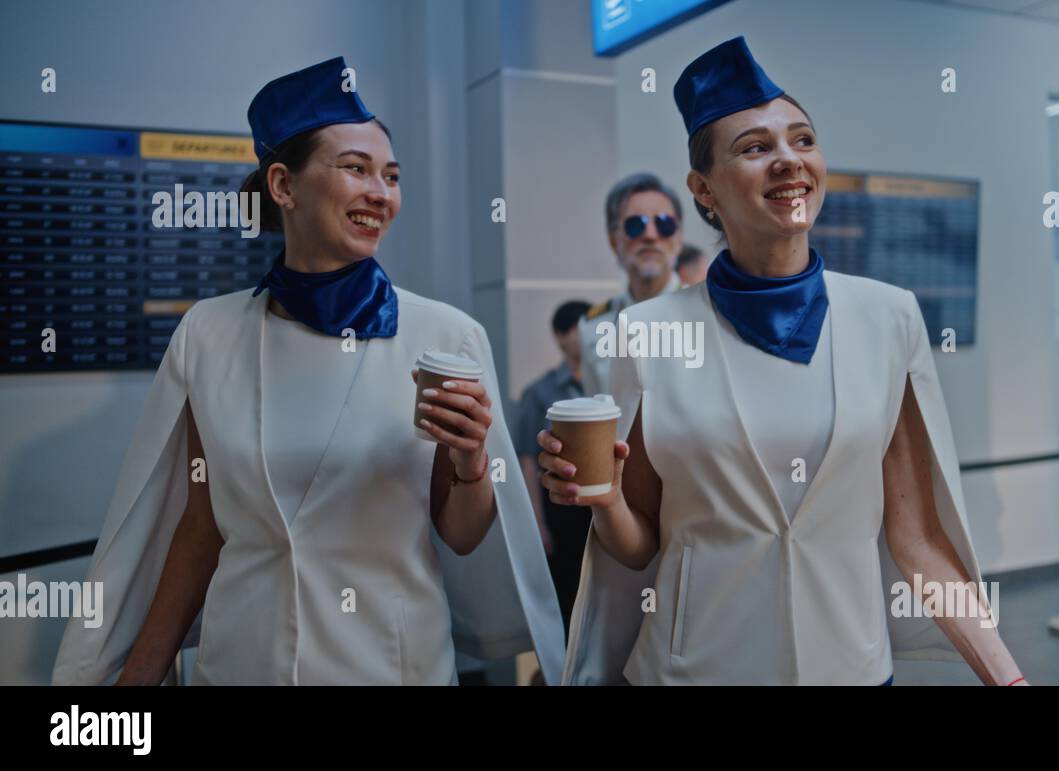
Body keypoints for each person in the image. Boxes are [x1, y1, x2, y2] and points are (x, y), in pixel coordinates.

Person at [51, 57, 564, 686]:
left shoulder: (444, 337)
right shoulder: (210, 336)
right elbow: (200, 528)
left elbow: (459, 534)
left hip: (390, 668)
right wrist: (137, 680)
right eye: (355, 169)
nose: (381, 193)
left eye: (392, 176)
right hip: (241, 666)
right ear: (283, 186)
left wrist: (470, 462)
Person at [542, 38, 1027, 686]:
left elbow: (920, 540)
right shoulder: (644, 332)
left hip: (850, 668)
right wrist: (602, 500)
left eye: (802, 140)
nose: (788, 161)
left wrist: (1009, 678)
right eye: (755, 147)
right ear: (704, 190)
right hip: (693, 670)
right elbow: (641, 541)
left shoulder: (889, 318)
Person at [512, 300, 592, 643]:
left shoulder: (613, 384)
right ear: (560, 336)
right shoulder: (539, 392)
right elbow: (527, 459)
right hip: (560, 512)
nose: (587, 337)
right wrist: (538, 523)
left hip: (603, 509)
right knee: (566, 602)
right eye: (579, 329)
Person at [578, 173, 685, 396]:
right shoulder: (592, 327)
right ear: (613, 240)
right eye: (635, 225)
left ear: (678, 238)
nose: (650, 235)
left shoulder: (708, 315)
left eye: (664, 224)